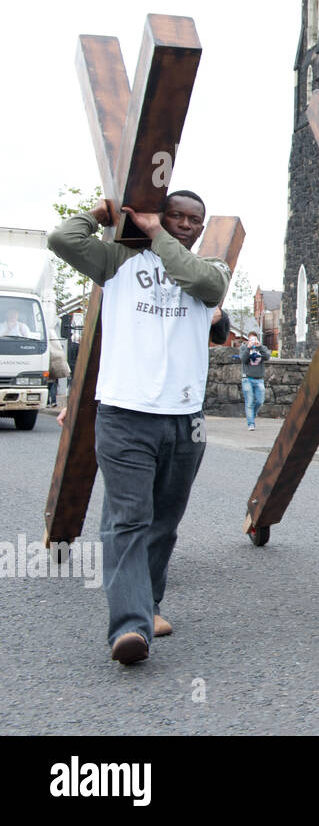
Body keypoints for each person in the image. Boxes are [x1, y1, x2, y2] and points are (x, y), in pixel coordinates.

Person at [48, 191, 230, 664]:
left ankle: (147, 605)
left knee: (164, 523)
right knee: (129, 519)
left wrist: (157, 232)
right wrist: (102, 214)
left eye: (195, 220)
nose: (186, 225)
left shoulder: (212, 271)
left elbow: (201, 283)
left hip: (185, 418)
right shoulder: (115, 260)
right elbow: (61, 238)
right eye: (176, 216)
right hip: (125, 414)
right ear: (157, 213)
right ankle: (130, 628)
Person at [239, 332, 272, 430]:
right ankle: (251, 424)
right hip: (247, 379)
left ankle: (251, 415)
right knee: (249, 402)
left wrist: (260, 347)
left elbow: (267, 357)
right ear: (248, 340)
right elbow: (243, 359)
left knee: (260, 401)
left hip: (259, 379)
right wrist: (249, 348)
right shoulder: (244, 348)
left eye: (254, 339)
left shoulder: (262, 348)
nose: (253, 341)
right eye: (251, 339)